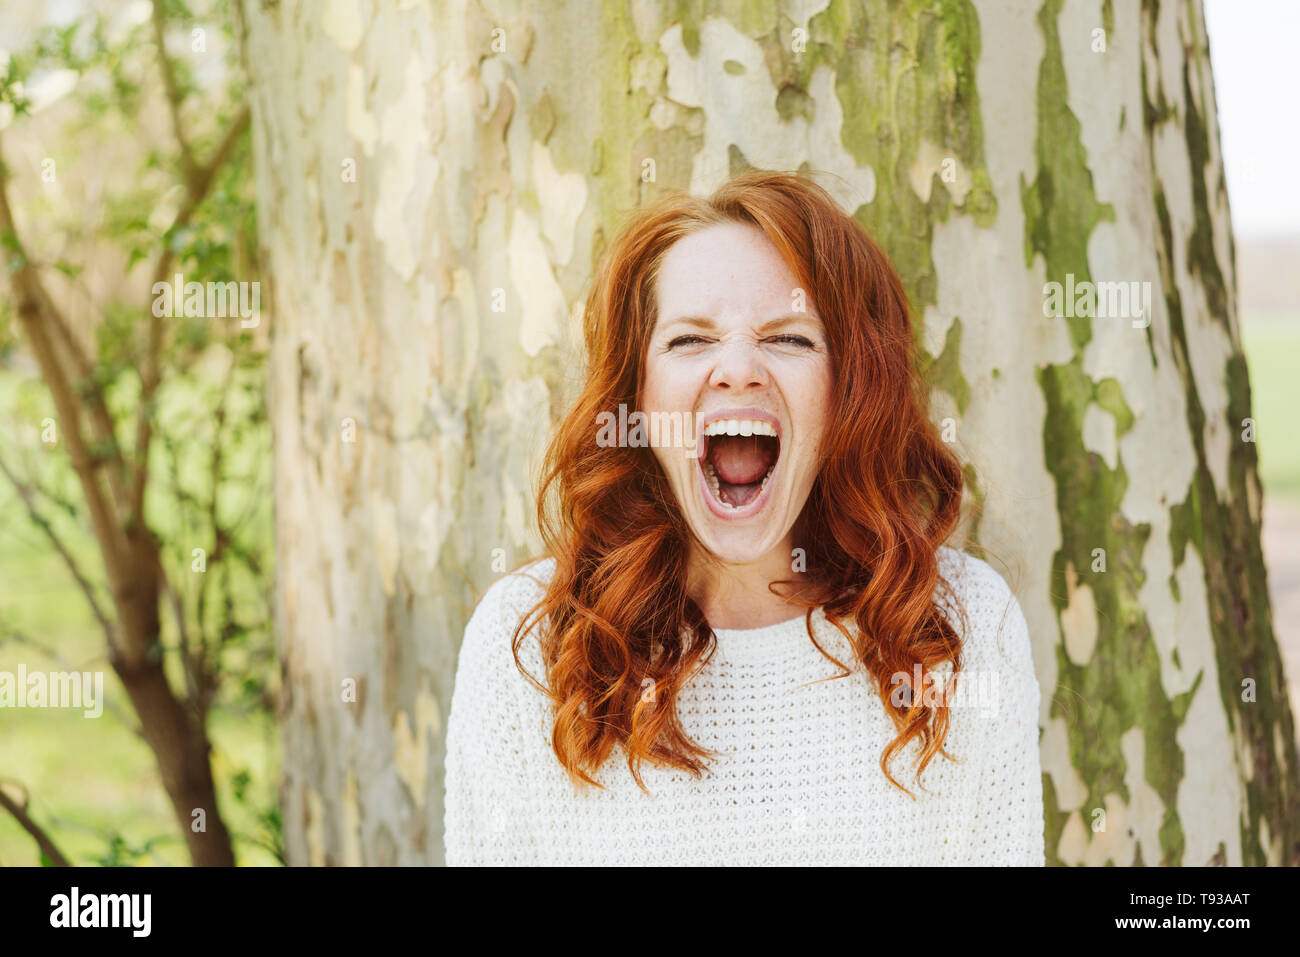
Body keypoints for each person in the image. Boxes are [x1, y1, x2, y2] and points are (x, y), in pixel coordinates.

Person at [444, 169, 1045, 866]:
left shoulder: (962, 626)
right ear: (637, 399)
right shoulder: (529, 648)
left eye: (789, 339)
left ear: (848, 389)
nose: (737, 369)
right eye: (689, 341)